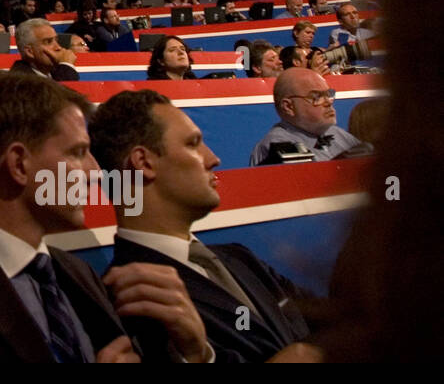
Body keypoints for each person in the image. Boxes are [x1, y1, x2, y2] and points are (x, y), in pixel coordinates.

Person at [0, 72, 211, 363]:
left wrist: (195, 354)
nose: (94, 171)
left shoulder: (79, 275)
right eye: (78, 153)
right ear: (19, 164)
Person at [89, 90, 314, 362]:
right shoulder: (129, 296)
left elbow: (334, 324)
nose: (213, 158)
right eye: (193, 143)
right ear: (144, 162)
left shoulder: (239, 257)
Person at [249, 68, 373, 165]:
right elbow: (307, 187)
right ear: (288, 107)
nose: (328, 102)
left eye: (328, 94)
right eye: (316, 97)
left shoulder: (336, 133)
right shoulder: (277, 144)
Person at [11, 18, 79, 82]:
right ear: (30, 52)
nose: (58, 47)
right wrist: (67, 66)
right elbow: (62, 93)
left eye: (56, 40)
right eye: (48, 42)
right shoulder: (20, 80)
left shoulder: (53, 71)